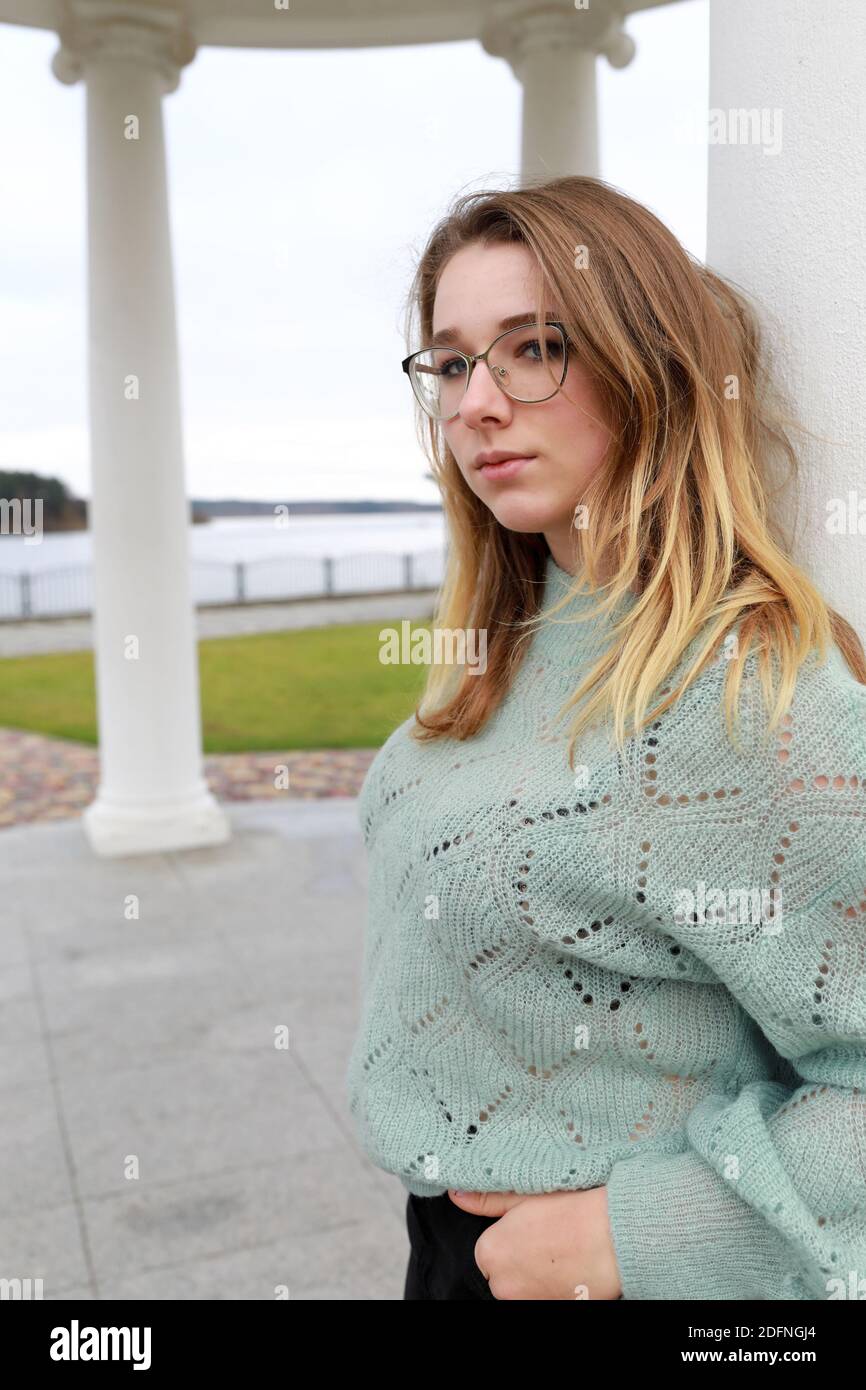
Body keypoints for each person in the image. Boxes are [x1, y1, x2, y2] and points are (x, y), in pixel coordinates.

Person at [344, 175, 866, 1301]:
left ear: (651, 369)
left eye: (533, 348)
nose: (476, 402)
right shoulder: (518, 641)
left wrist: (642, 1236)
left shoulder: (749, 695)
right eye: (448, 362)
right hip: (449, 1246)